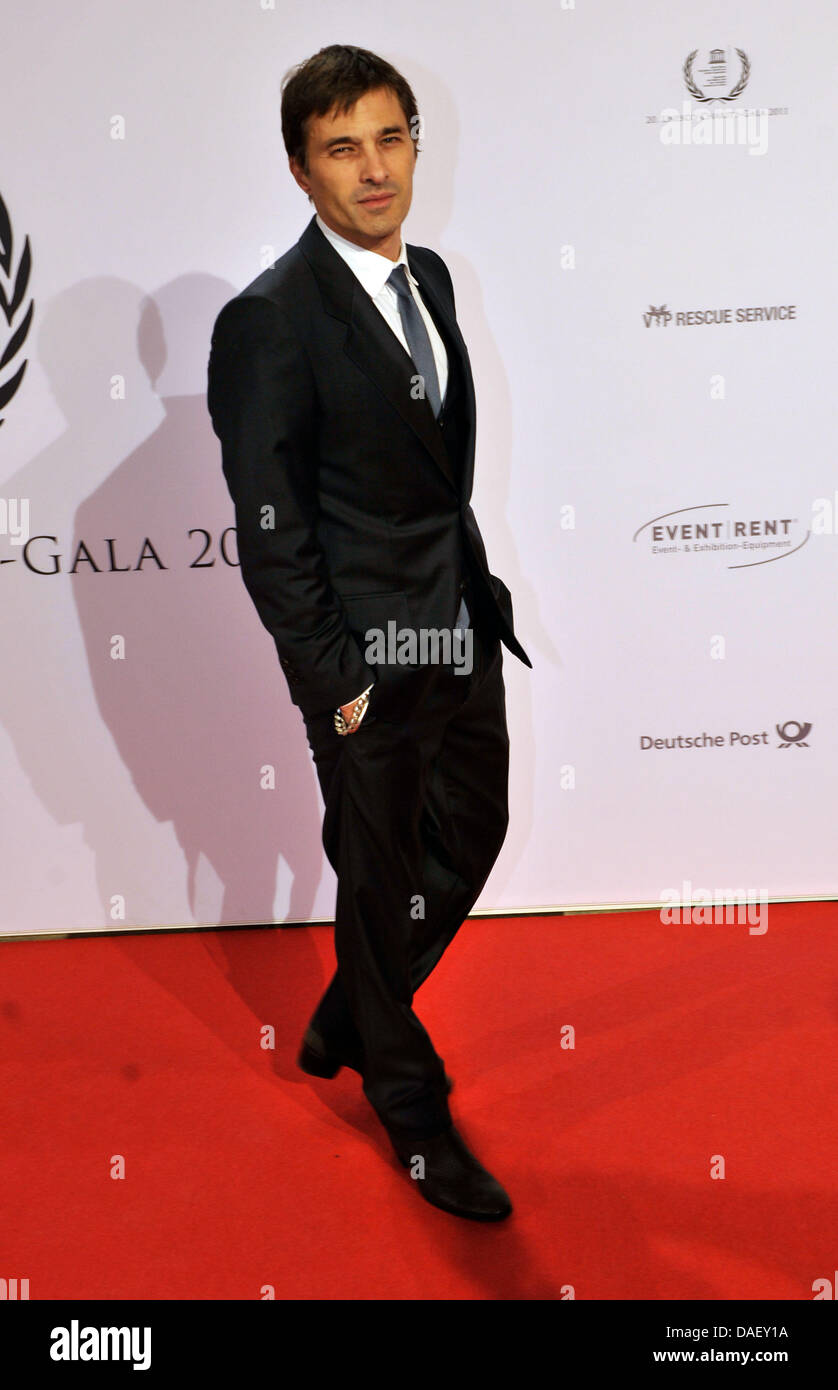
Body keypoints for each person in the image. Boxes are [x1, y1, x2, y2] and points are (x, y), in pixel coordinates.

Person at [207, 44, 531, 1221]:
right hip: (364, 663)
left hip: (454, 628)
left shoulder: (431, 277)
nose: (374, 167)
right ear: (301, 170)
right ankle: (409, 1107)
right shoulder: (271, 322)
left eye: (390, 139)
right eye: (343, 148)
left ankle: (350, 1008)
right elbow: (270, 528)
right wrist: (334, 682)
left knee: (475, 828)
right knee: (379, 868)